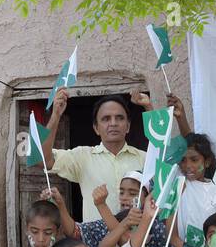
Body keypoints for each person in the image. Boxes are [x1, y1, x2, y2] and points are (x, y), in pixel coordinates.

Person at [43, 88, 148, 222]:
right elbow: (44, 159)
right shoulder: (82, 156)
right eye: (106, 119)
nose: (113, 123)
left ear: (127, 126)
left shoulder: (145, 158)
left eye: (119, 118)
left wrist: (148, 107)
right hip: (97, 242)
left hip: (137, 241)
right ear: (96, 128)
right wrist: (56, 115)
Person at [170, 132, 216, 247]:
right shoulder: (177, 184)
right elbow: (171, 235)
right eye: (183, 160)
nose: (188, 166)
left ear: (207, 161)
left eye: (194, 160)